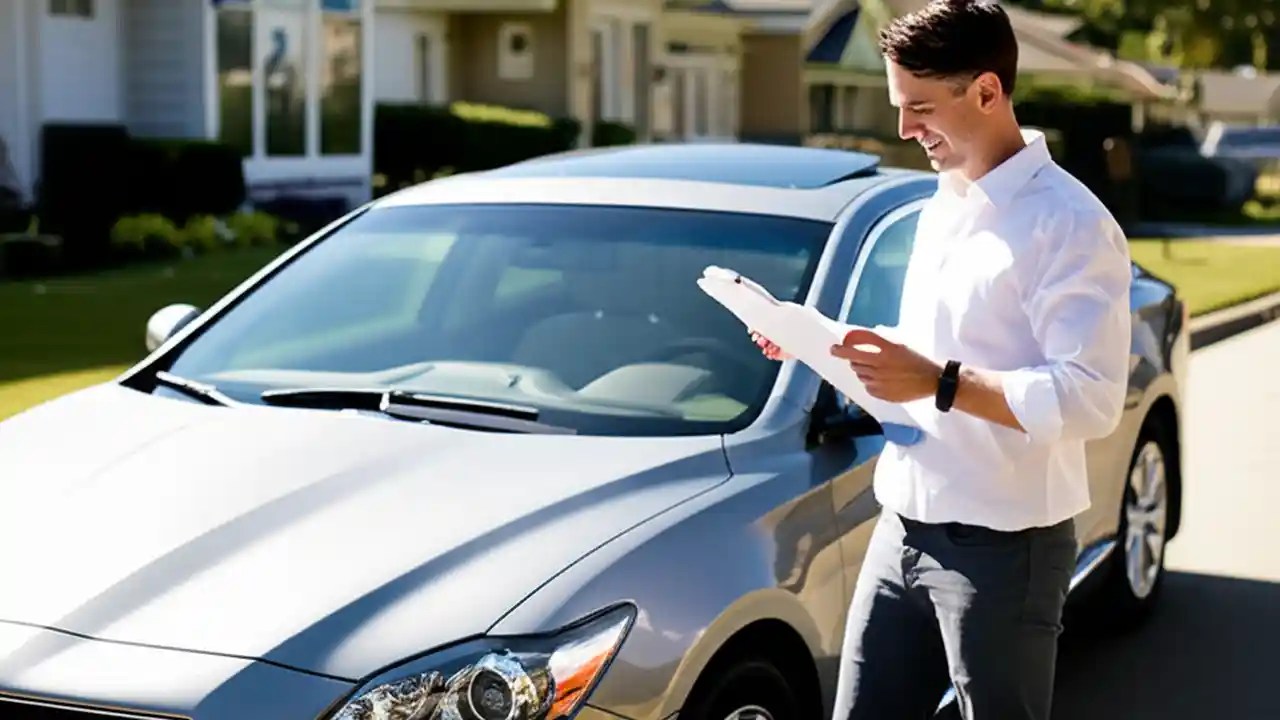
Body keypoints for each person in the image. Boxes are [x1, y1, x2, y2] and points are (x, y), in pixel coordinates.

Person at [752, 0, 1133, 718]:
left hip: (1006, 548)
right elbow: (927, 355)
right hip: (903, 520)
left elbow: (1089, 398)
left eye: (920, 107)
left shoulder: (1072, 224)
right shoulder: (942, 203)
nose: (904, 129)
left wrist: (939, 382)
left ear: (987, 92)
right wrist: (817, 341)